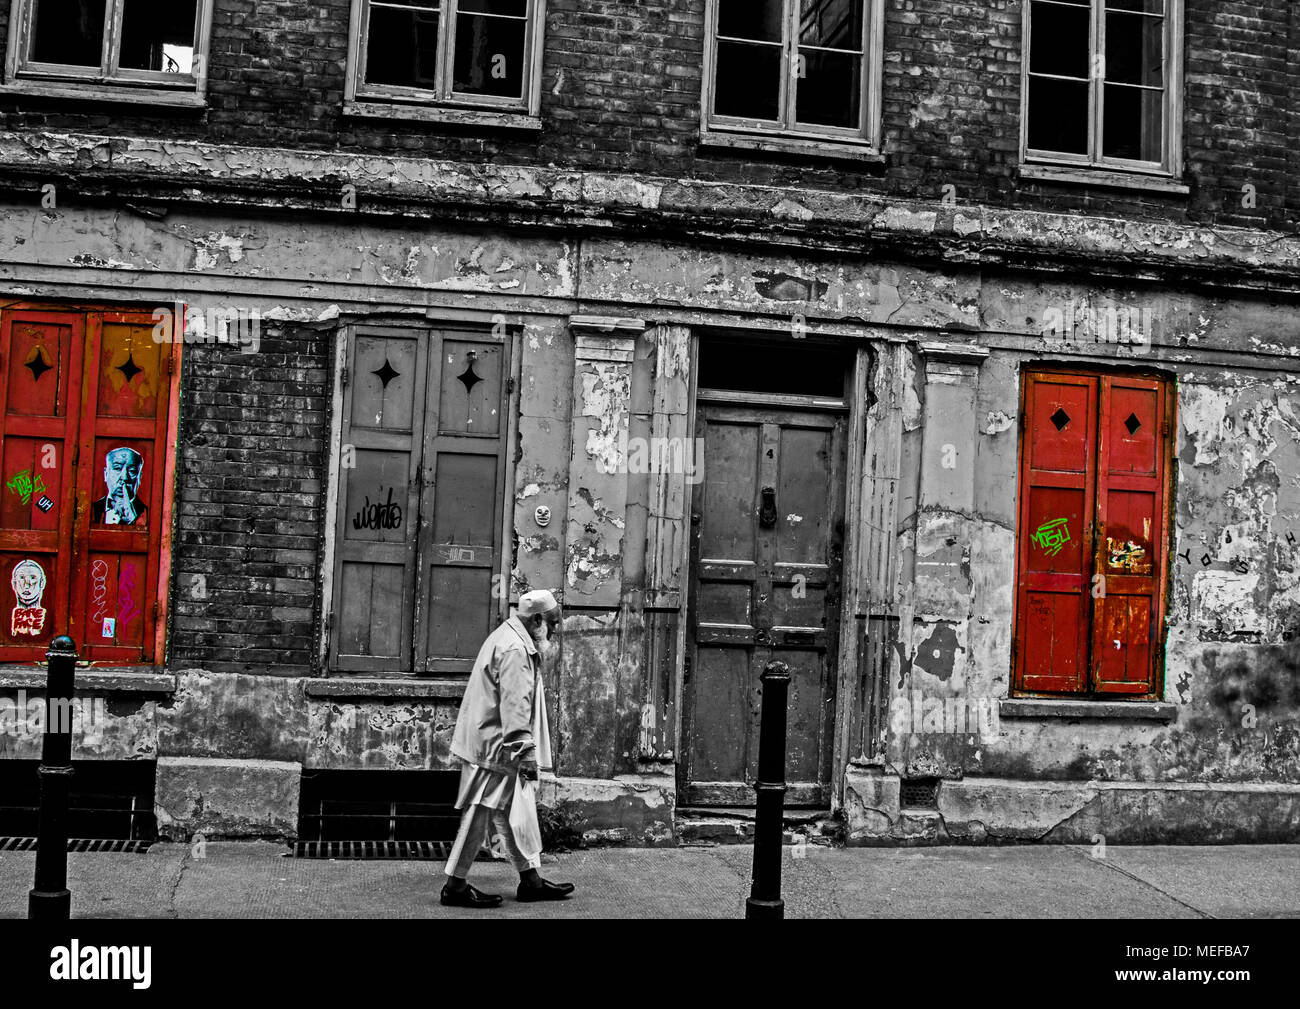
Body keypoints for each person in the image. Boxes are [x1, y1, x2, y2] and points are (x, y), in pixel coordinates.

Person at [441, 588, 575, 908]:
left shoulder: (509, 634)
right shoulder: (516, 649)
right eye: (553, 624)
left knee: (508, 812)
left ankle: (530, 880)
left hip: (489, 742)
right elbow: (515, 706)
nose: (554, 631)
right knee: (481, 813)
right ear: (538, 620)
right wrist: (526, 753)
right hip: (495, 747)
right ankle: (455, 885)